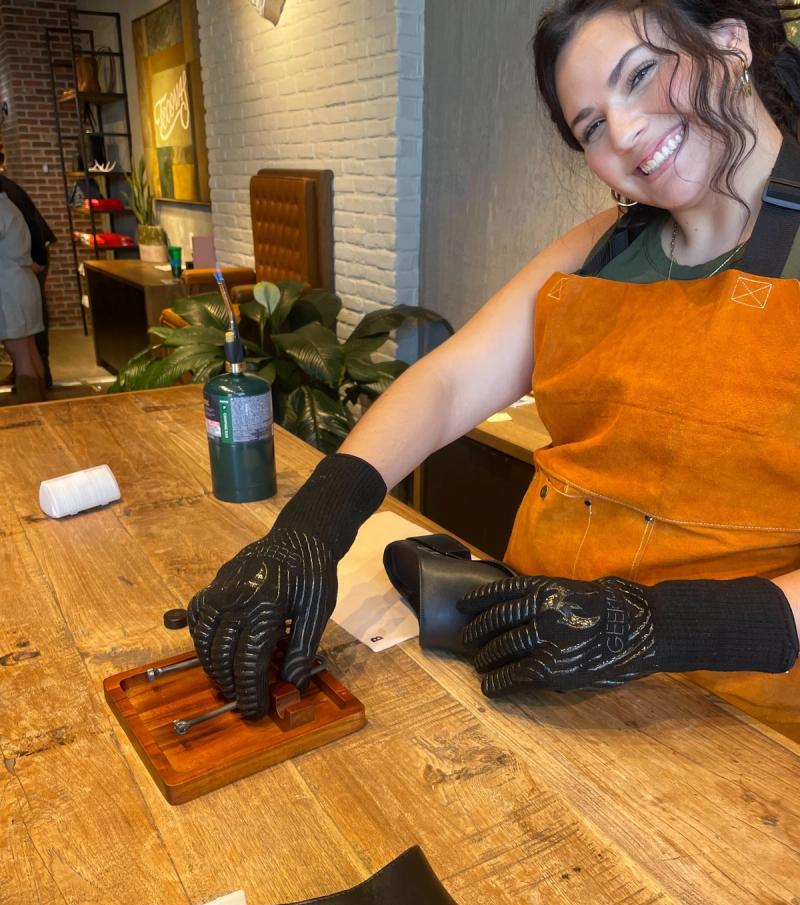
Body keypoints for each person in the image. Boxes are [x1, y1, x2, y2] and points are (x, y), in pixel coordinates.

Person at [187, 0, 800, 734]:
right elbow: (447, 384)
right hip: (529, 667)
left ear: (730, 44)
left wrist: (658, 627)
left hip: (730, 722)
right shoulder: (604, 247)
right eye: (592, 127)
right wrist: (311, 526)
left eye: (640, 74)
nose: (625, 132)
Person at [0, 173, 56, 389]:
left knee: (22, 356)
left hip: (10, 291)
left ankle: (30, 405)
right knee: (30, 352)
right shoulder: (9, 205)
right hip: (23, 285)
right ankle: (41, 399)